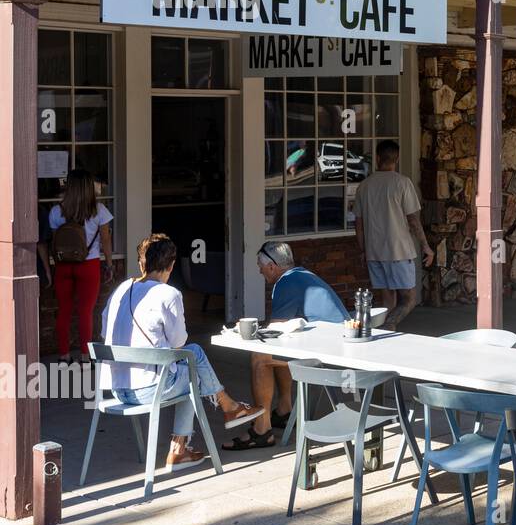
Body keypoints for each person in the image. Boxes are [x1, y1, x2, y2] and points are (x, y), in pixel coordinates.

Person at [102, 234, 261, 470]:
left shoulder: (121, 290)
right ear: (172, 265)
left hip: (117, 389)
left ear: (141, 263)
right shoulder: (169, 294)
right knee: (193, 361)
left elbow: (105, 329)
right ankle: (222, 411)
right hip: (148, 390)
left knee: (191, 367)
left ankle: (192, 440)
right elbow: (179, 342)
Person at [227, 241, 350, 450]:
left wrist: (242, 331)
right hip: (338, 343)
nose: (259, 270)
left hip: (331, 352)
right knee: (278, 352)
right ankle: (284, 410)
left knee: (260, 357)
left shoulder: (285, 283)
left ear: (272, 267)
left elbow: (276, 329)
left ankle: (261, 429)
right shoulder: (301, 275)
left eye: (260, 265)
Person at [353, 140, 433, 327]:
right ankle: (388, 326)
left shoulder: (364, 186)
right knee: (410, 299)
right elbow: (413, 219)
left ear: (378, 158)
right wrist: (426, 246)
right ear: (396, 159)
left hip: (375, 252)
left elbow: (358, 224)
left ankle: (386, 334)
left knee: (388, 299)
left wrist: (363, 250)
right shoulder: (402, 183)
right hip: (399, 251)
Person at [49, 169, 114, 361]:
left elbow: (55, 242)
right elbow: (106, 240)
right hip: (89, 264)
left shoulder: (56, 211)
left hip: (63, 265)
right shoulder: (99, 210)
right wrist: (109, 265)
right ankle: (85, 358)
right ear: (88, 187)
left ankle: (64, 356)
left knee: (64, 311)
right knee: (86, 312)